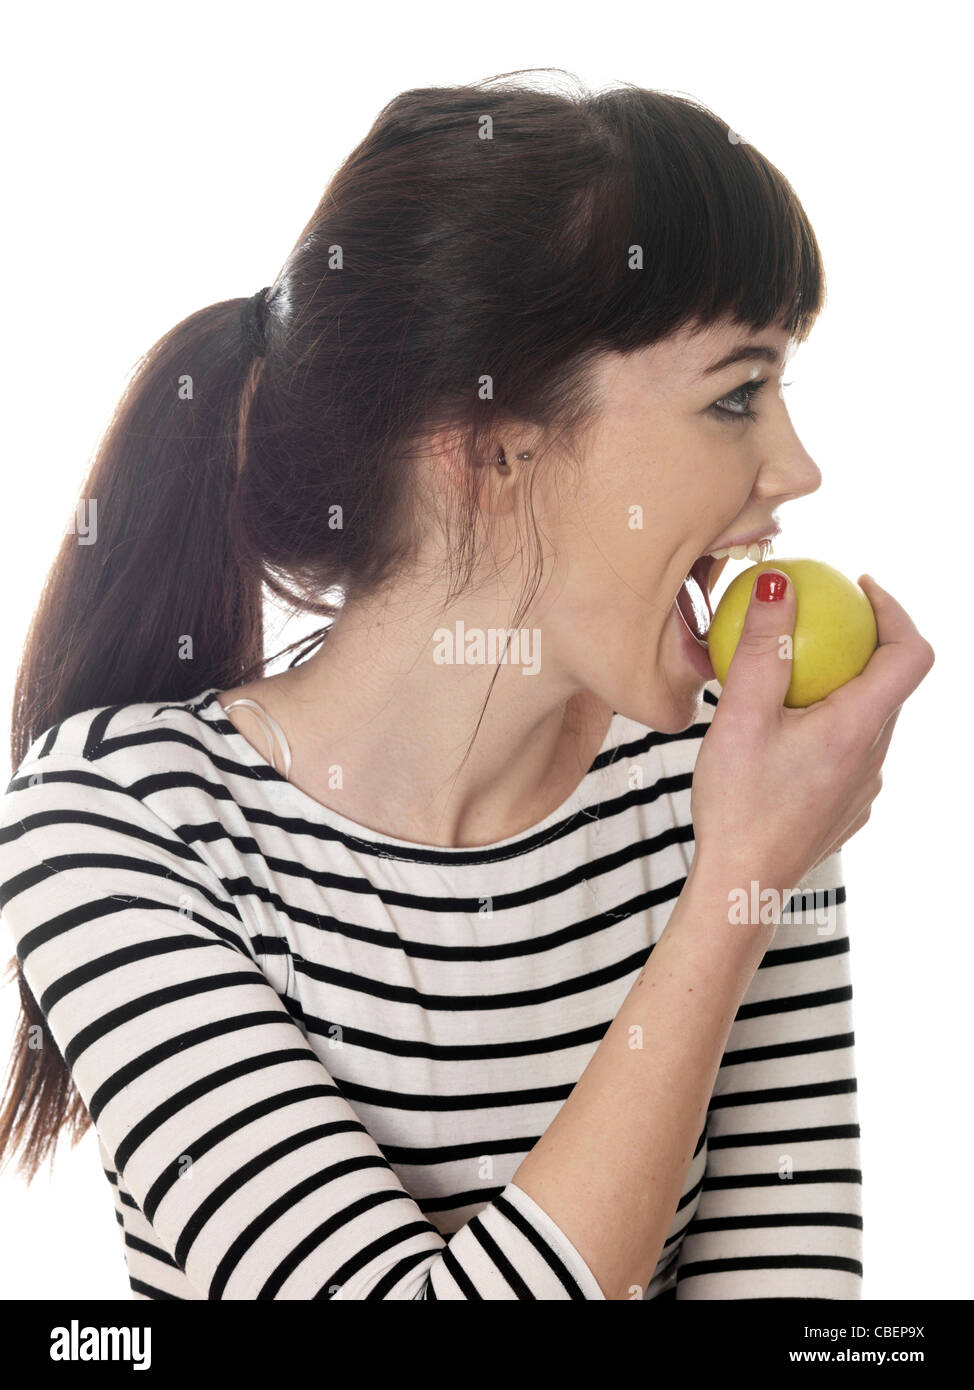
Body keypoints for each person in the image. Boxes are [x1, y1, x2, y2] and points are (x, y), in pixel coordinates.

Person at [0, 73, 933, 1300]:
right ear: (490, 445)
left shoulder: (731, 790)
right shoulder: (118, 822)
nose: (795, 468)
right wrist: (727, 896)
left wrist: (748, 862)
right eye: (734, 395)